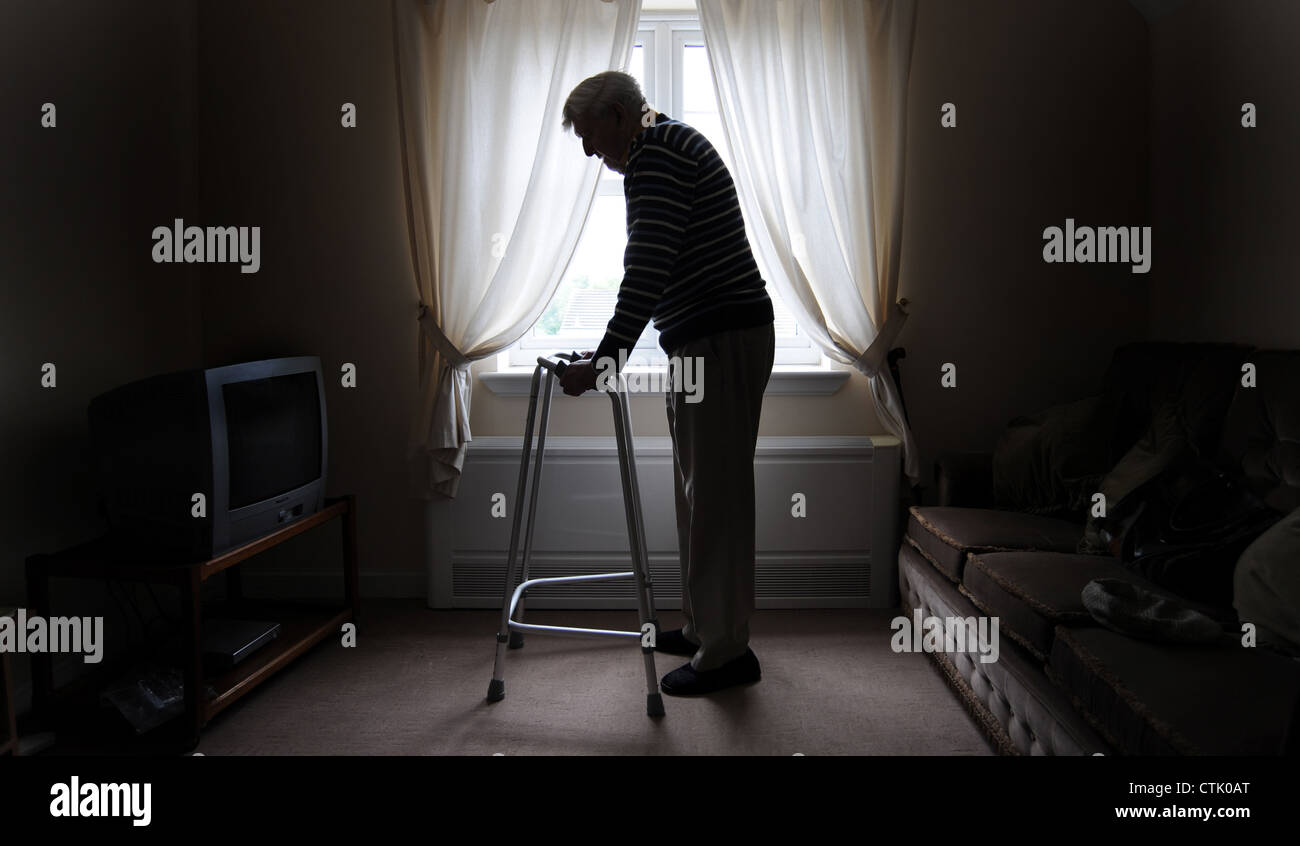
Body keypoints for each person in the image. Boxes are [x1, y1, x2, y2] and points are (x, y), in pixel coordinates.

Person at [557, 71, 775, 696]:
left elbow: (645, 272)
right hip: (701, 342)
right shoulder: (661, 147)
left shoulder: (658, 157)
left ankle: (728, 652)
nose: (587, 150)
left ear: (623, 115)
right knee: (699, 492)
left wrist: (602, 365)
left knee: (717, 498)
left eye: (591, 134)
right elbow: (655, 273)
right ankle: (707, 627)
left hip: (719, 340)